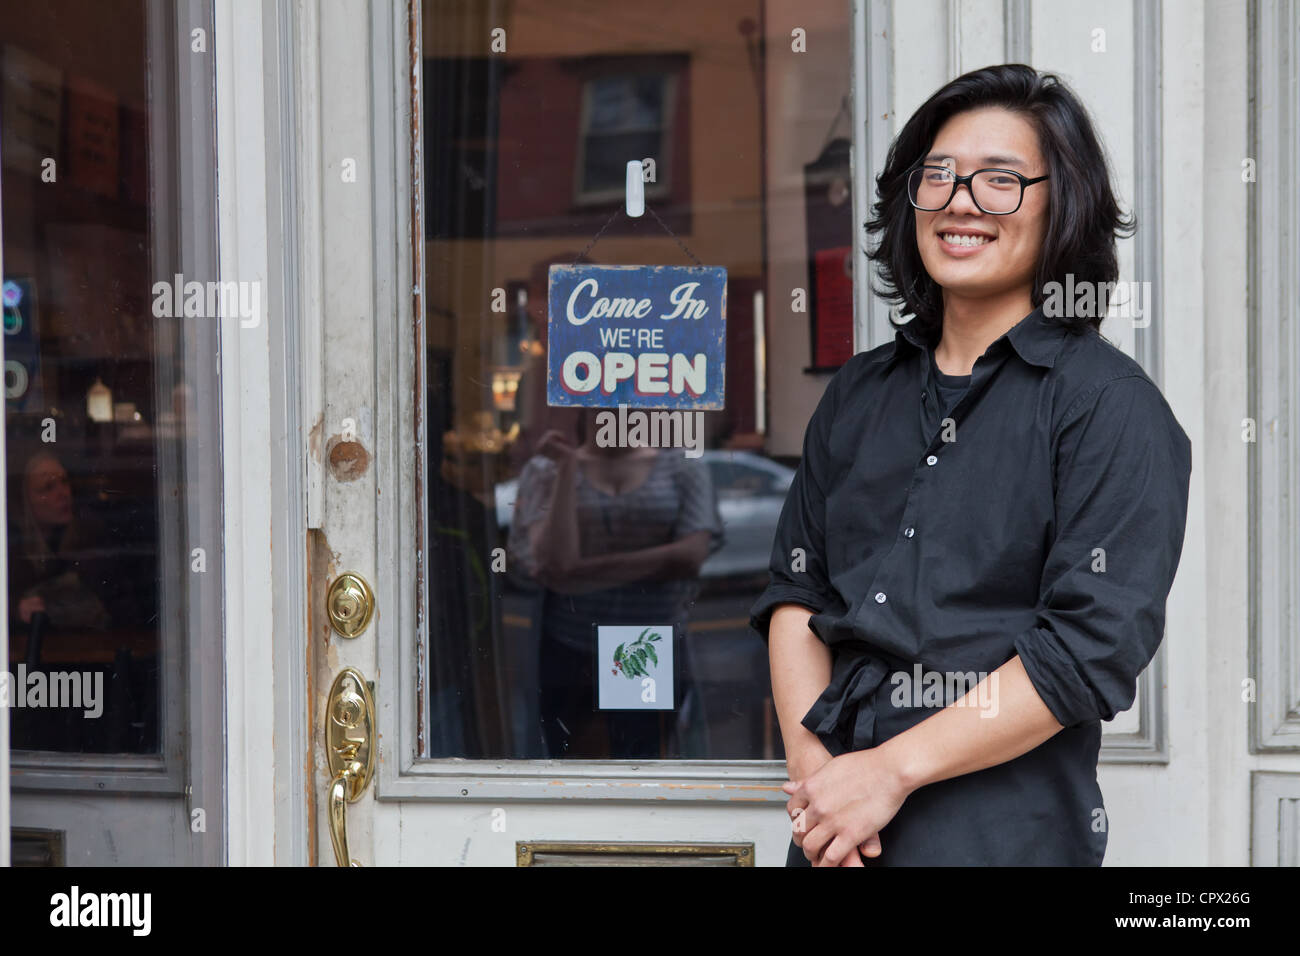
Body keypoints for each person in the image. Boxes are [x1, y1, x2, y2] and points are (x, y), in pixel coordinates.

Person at [749, 63, 1192, 866]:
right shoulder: (858, 393)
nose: (960, 201)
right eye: (940, 177)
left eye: (1000, 181)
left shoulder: (1110, 407)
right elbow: (796, 592)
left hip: (1001, 840)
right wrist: (820, 785)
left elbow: (1085, 651)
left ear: (1064, 204)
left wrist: (888, 772)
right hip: (835, 839)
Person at [509, 408, 723, 759]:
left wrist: (584, 571)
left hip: (644, 640)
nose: (618, 410)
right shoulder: (548, 469)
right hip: (572, 639)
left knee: (639, 758)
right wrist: (567, 470)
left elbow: (690, 555)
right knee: (571, 762)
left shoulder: (680, 467)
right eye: (604, 401)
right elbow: (555, 562)